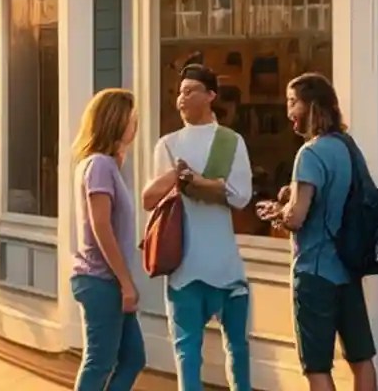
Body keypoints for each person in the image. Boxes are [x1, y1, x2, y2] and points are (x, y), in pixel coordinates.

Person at [256, 72, 377, 391]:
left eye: (293, 102)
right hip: (349, 270)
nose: (288, 112)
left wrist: (278, 214)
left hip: (315, 272)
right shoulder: (347, 147)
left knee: (317, 366)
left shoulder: (309, 153)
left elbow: (297, 217)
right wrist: (291, 197)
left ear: (312, 106)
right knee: (361, 359)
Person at [142, 64, 252, 391]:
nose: (181, 98)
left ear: (210, 96)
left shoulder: (230, 141)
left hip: (226, 267)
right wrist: (180, 176)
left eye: (190, 91)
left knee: (238, 350)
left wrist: (202, 183)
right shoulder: (168, 145)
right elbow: (151, 198)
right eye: (179, 92)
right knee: (187, 354)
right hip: (184, 266)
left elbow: (242, 196)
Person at [71, 88, 146, 391]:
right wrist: (126, 282)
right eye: (132, 118)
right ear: (115, 121)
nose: (135, 124)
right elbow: (101, 225)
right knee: (100, 361)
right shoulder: (99, 165)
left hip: (109, 279)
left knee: (132, 358)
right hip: (100, 279)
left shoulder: (107, 165)